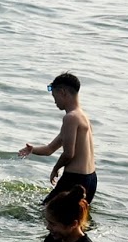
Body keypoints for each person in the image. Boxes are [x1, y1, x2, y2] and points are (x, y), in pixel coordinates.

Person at [18, 72, 96, 204]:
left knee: (47, 210)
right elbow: (50, 148)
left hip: (75, 179)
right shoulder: (83, 117)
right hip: (91, 179)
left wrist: (55, 168)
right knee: (75, 215)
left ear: (62, 92)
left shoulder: (70, 118)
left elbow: (69, 154)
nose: (55, 101)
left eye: (54, 96)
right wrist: (32, 150)